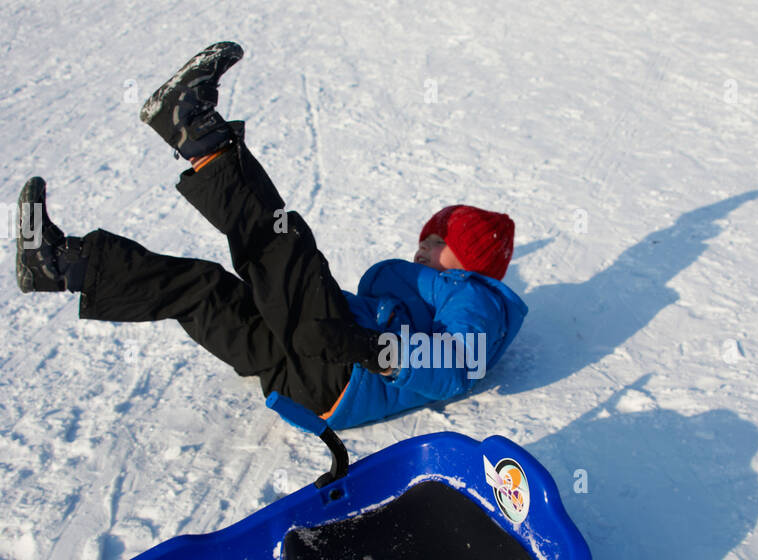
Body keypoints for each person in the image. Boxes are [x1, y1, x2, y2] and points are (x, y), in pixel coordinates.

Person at [15, 44, 525, 435]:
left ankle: (195, 129)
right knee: (202, 289)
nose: (425, 245)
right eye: (428, 234)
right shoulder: (427, 286)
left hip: (341, 369)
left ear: (474, 262)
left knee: (286, 248)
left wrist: (371, 348)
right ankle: (62, 266)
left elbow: (460, 365)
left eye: (441, 241)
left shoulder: (476, 297)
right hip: (302, 373)